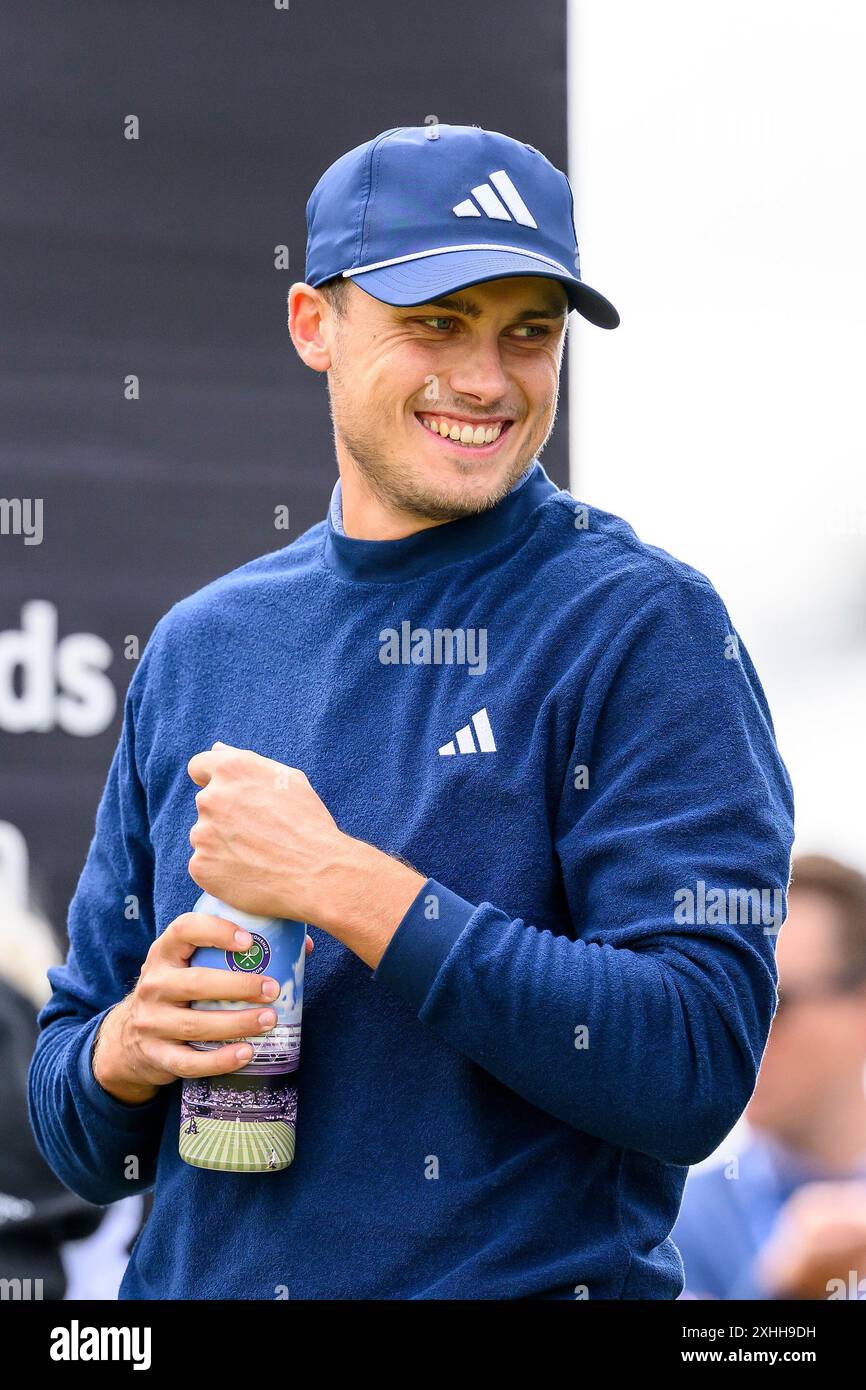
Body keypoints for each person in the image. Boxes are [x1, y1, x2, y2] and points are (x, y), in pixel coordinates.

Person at [29, 123, 794, 1300]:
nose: (485, 379)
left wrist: (343, 885)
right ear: (312, 326)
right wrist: (129, 1051)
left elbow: (691, 1066)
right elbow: (77, 1123)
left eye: (526, 332)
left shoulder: (642, 625)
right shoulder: (203, 642)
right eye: (435, 323)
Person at [672, 853, 866, 1299]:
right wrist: (788, 1291)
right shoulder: (671, 1229)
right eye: (733, 1009)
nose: (745, 1038)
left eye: (777, 1006)